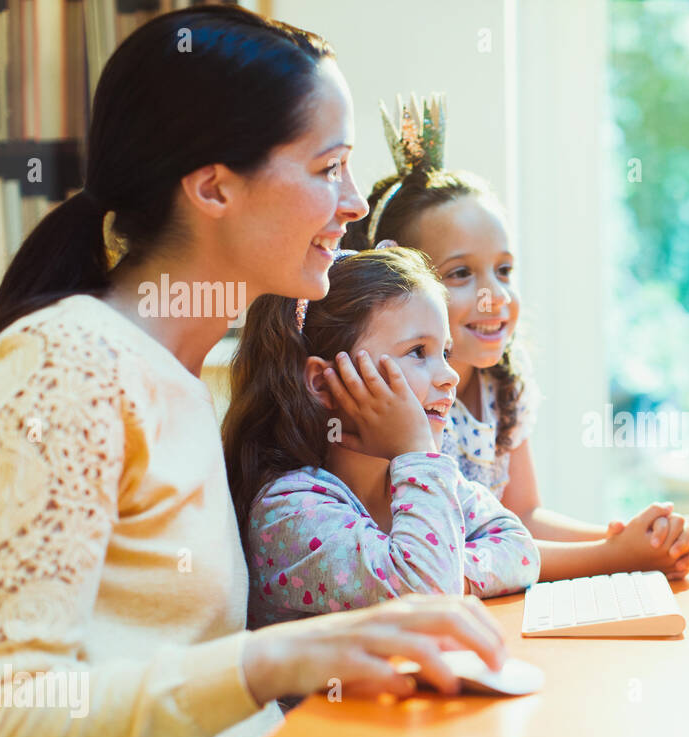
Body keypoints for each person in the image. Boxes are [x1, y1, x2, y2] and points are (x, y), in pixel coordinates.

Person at [0, 6, 503, 737]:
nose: (351, 205)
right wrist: (273, 662)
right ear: (214, 186)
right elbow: (1, 717)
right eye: (329, 168)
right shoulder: (67, 363)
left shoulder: (185, 375)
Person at [343, 93, 689, 582]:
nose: (494, 297)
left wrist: (625, 540)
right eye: (461, 273)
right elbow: (447, 554)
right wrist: (615, 557)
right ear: (400, 284)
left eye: (505, 269)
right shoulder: (398, 398)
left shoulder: (502, 383)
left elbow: (523, 518)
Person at [223, 245, 540, 628]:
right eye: (418, 351)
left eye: (446, 352)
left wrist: (447, 569)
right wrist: (416, 453)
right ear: (324, 383)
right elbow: (429, 595)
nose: (449, 376)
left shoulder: (418, 482)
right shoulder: (288, 511)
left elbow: (521, 551)